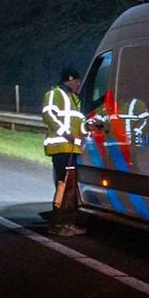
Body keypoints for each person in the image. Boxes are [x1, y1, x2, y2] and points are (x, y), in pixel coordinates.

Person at [41, 67, 86, 236]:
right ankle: (57, 224)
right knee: (63, 186)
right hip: (61, 148)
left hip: (72, 149)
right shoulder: (55, 93)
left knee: (70, 188)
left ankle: (68, 222)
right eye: (78, 81)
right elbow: (48, 115)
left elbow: (77, 125)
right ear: (70, 80)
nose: (79, 84)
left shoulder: (75, 99)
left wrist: (87, 128)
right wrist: (66, 135)